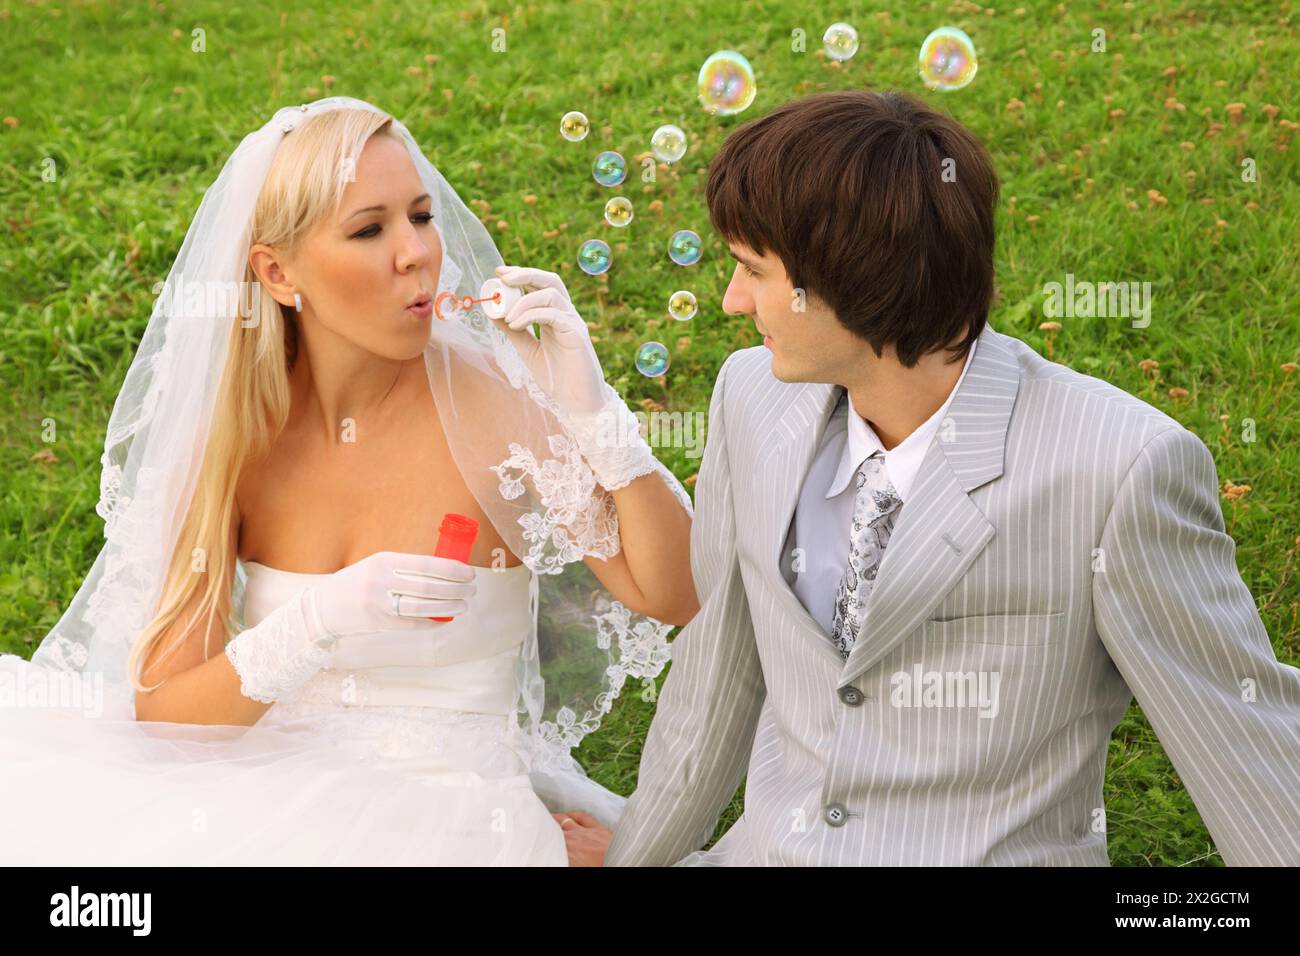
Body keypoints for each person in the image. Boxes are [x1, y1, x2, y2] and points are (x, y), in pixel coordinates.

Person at [598, 89, 1300, 866]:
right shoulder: (753, 397)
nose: (733, 301)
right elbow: (714, 683)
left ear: (852, 281)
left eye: (753, 271)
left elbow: (1247, 747)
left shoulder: (1120, 468)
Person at [0, 97, 697, 865]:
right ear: (276, 271)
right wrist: (314, 624)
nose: (417, 253)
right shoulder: (235, 433)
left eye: (422, 216)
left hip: (447, 813)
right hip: (252, 790)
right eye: (370, 229)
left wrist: (593, 412)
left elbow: (673, 592)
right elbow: (169, 720)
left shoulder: (492, 400)